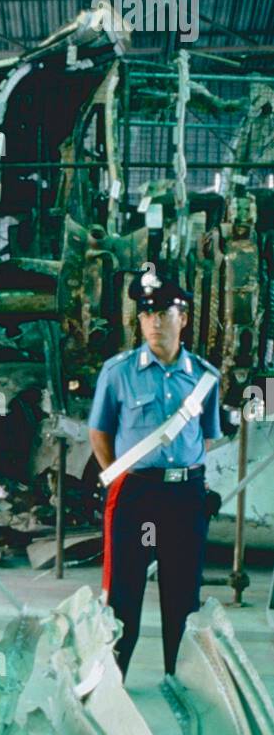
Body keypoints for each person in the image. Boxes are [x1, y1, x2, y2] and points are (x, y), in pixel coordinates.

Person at [88, 267, 222, 678]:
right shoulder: (118, 373)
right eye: (147, 315)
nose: (154, 323)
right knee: (124, 592)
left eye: (164, 314)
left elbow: (208, 436)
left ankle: (178, 680)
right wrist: (125, 475)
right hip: (136, 496)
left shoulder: (203, 377)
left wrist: (179, 470)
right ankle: (112, 681)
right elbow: (99, 433)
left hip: (184, 497)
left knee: (183, 594)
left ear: (183, 318)